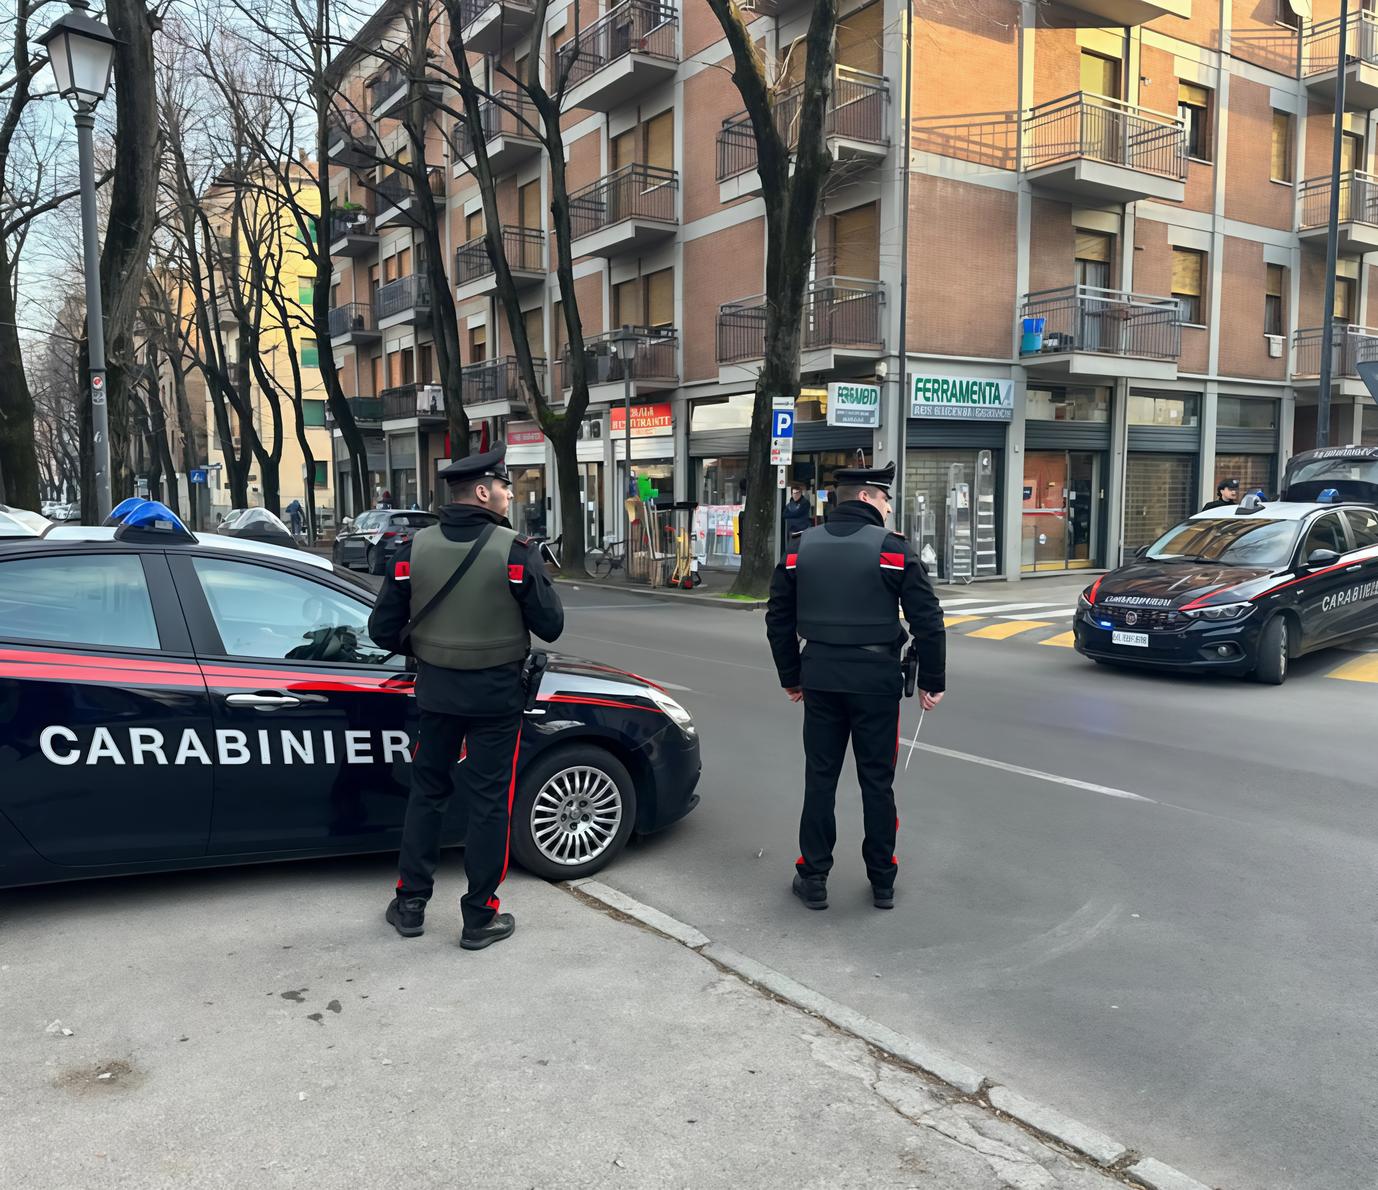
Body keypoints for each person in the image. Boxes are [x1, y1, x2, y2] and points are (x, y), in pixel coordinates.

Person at [368, 445, 564, 951]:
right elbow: (551, 626)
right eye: (504, 486)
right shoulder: (516, 550)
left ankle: (410, 904)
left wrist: (431, 648)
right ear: (482, 492)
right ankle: (479, 917)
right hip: (497, 699)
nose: (508, 494)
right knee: (489, 802)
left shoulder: (413, 550)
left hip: (435, 695)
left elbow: (382, 629)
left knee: (426, 794)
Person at [765, 460, 946, 912]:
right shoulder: (893, 550)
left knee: (820, 780)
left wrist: (791, 676)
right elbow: (928, 620)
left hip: (820, 680)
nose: (888, 508)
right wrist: (932, 682)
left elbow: (778, 620)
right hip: (876, 684)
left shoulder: (798, 549)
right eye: (885, 499)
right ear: (867, 497)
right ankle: (882, 880)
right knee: (877, 783)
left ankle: (814, 877)